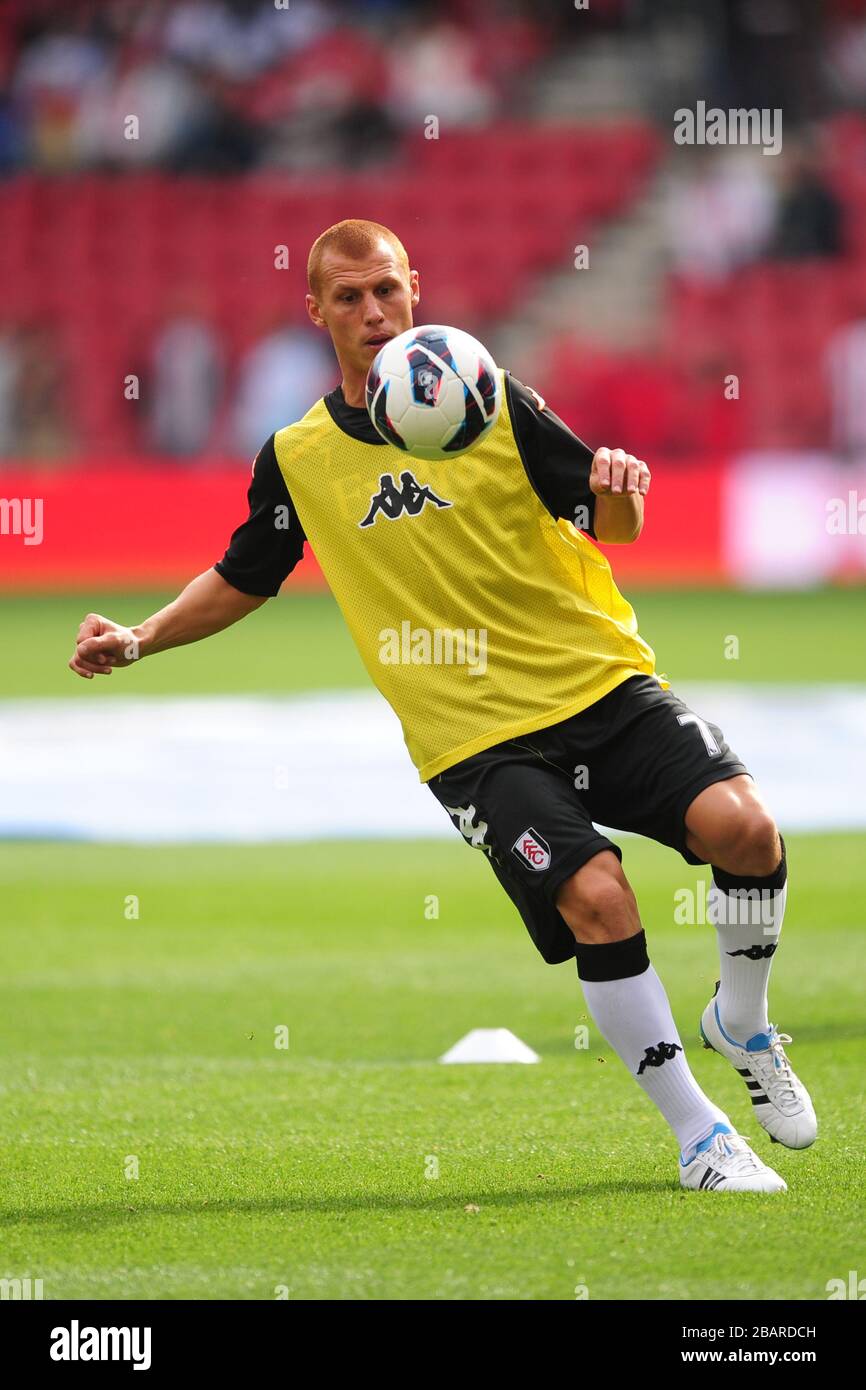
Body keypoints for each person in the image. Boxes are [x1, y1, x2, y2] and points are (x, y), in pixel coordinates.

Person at [68, 219, 816, 1193]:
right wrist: (141, 636)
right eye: (348, 298)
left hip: (596, 683)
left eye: (384, 289)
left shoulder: (490, 396)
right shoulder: (299, 455)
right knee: (597, 897)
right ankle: (700, 1137)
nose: (372, 312)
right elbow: (244, 575)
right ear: (317, 313)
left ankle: (742, 1020)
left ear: (412, 287)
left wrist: (616, 487)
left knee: (746, 831)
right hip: (474, 742)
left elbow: (607, 519)